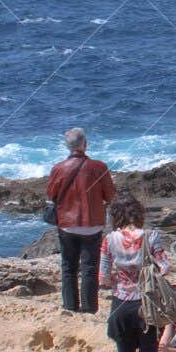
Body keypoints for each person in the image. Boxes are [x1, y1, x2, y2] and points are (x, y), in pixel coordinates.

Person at [98, 193, 168, 352]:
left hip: (119, 304)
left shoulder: (109, 240)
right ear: (139, 214)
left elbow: (104, 278)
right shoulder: (151, 237)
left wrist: (120, 278)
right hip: (145, 307)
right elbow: (165, 268)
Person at [46, 128, 116, 314]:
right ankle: (89, 308)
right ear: (84, 144)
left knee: (68, 267)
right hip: (92, 224)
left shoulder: (58, 168)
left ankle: (69, 306)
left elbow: (51, 194)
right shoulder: (99, 167)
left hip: (67, 224)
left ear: (68, 146)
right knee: (90, 267)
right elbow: (110, 195)